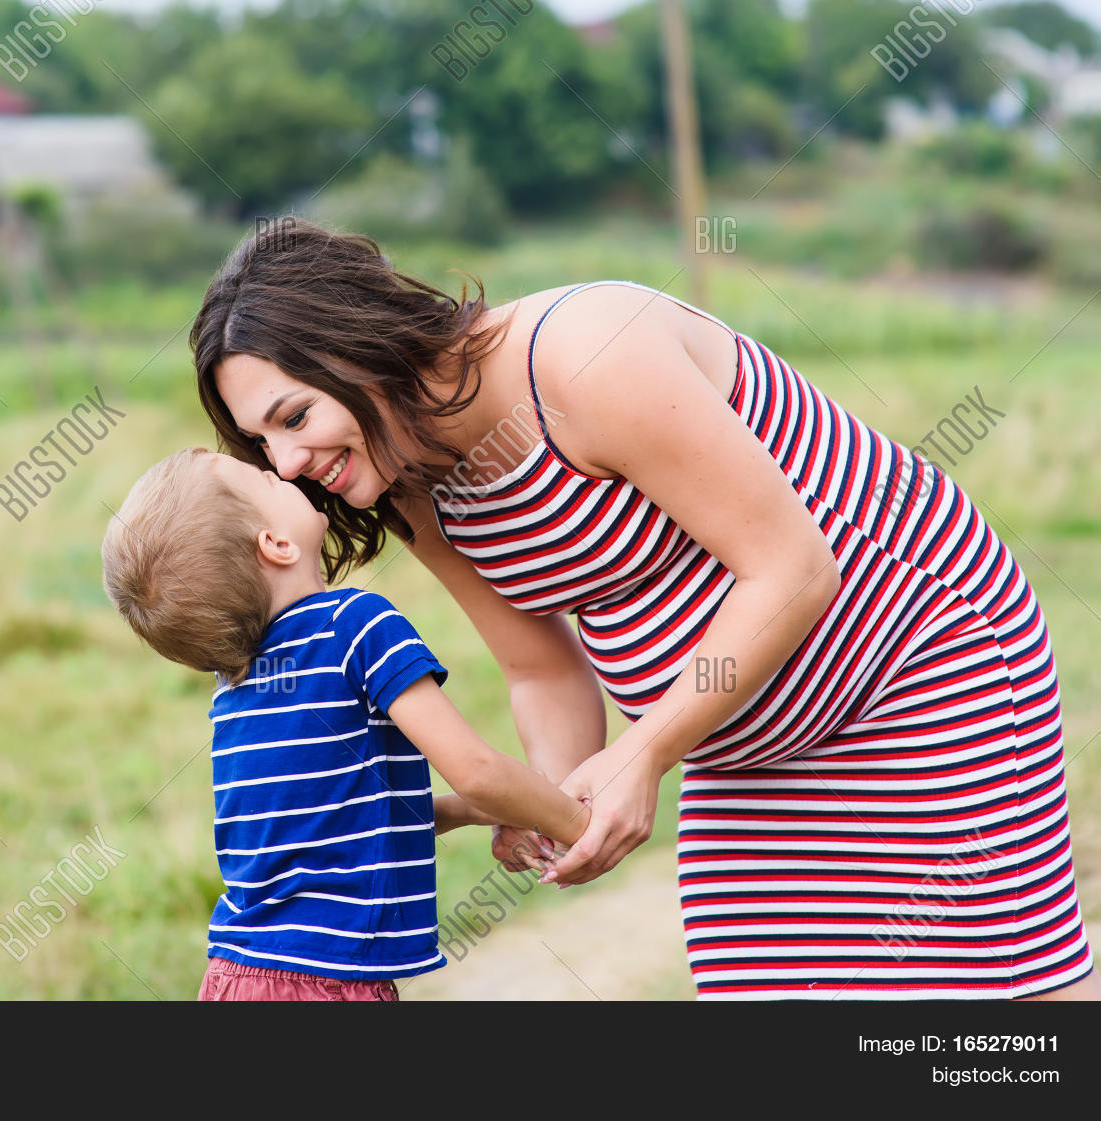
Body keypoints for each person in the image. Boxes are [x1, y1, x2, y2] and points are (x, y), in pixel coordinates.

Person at [188, 216, 1098, 1000]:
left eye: (294, 416)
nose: (288, 464)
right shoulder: (411, 477)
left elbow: (789, 570)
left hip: (928, 668)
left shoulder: (584, 357)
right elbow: (539, 665)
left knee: (991, 1002)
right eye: (263, 442)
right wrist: (552, 793)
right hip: (737, 736)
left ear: (357, 345)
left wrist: (647, 749)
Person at [100, 445, 589, 1000]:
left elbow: (328, 828)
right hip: (326, 983)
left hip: (236, 975)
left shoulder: (237, 684)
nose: (283, 471)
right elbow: (473, 768)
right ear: (276, 545)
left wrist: (480, 812)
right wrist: (578, 824)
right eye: (264, 478)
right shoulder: (355, 624)